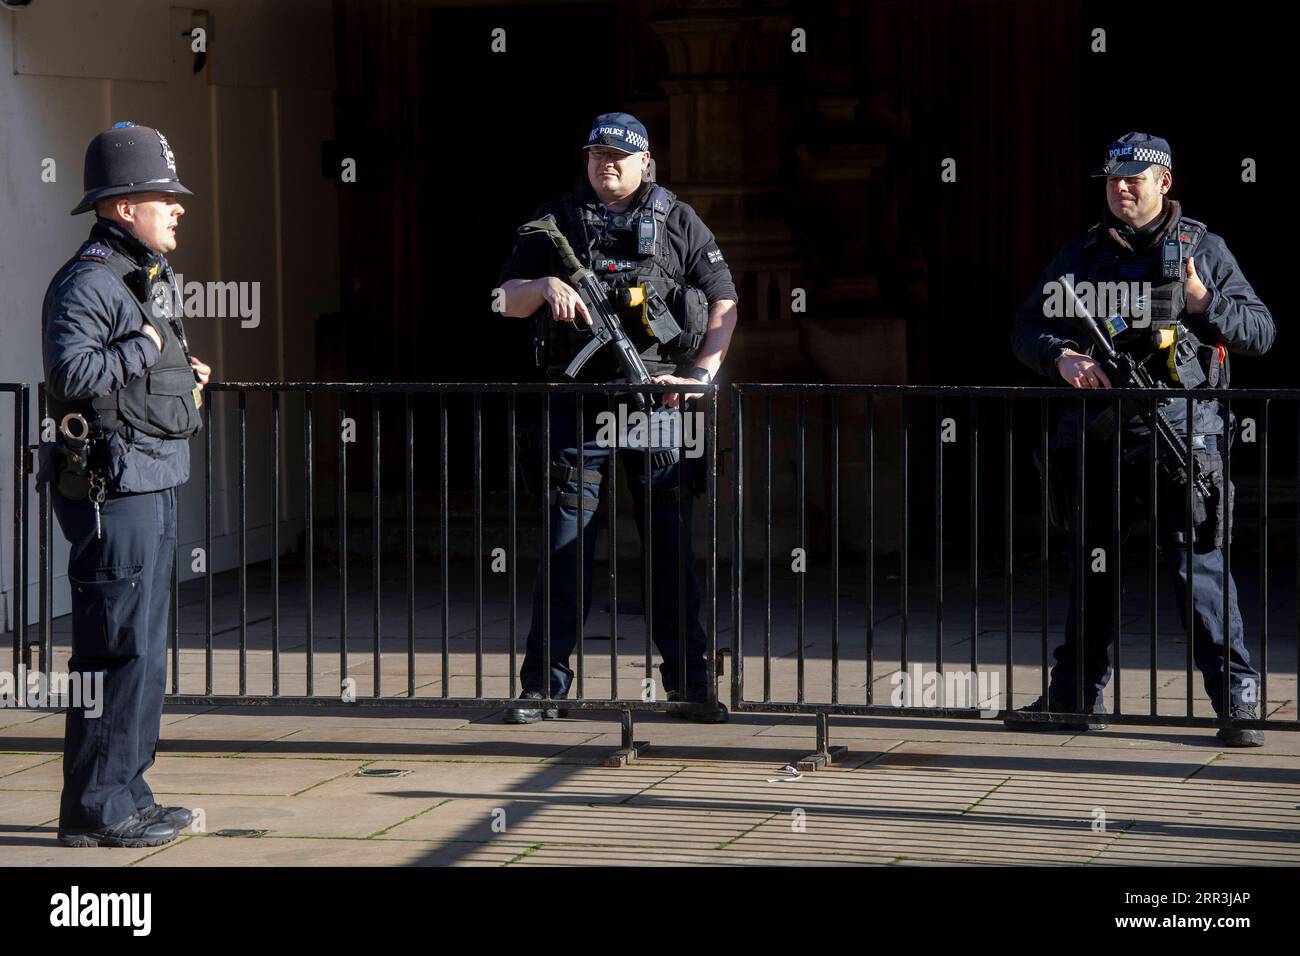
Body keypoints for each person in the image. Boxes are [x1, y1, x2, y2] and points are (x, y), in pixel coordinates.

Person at [1009, 132, 1274, 746]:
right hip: (1099, 439)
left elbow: (1261, 331)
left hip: (1181, 439)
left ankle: (1237, 701)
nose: (1120, 186)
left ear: (1165, 182)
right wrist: (1061, 359)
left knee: (1199, 572)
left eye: (1133, 176)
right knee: (1091, 573)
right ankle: (1074, 697)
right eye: (1111, 177)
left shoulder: (1203, 250)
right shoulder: (1079, 255)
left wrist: (1206, 304)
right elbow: (1026, 327)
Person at [498, 112, 738, 723]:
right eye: (597, 154)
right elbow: (503, 300)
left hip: (656, 402)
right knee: (565, 547)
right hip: (578, 404)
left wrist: (703, 375)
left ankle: (689, 682)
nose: (607, 164)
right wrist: (546, 285)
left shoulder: (678, 220)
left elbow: (723, 301)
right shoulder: (558, 219)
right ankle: (543, 687)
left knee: (669, 547)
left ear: (645, 160)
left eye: (619, 156)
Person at [40, 122, 212, 846]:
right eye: (161, 197)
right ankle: (98, 810)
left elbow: (150, 364)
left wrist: (181, 371)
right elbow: (73, 374)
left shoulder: (142, 278)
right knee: (115, 648)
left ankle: (126, 793)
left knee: (142, 648)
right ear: (120, 206)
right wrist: (144, 344)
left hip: (150, 479)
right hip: (115, 491)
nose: (177, 208)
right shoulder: (90, 281)